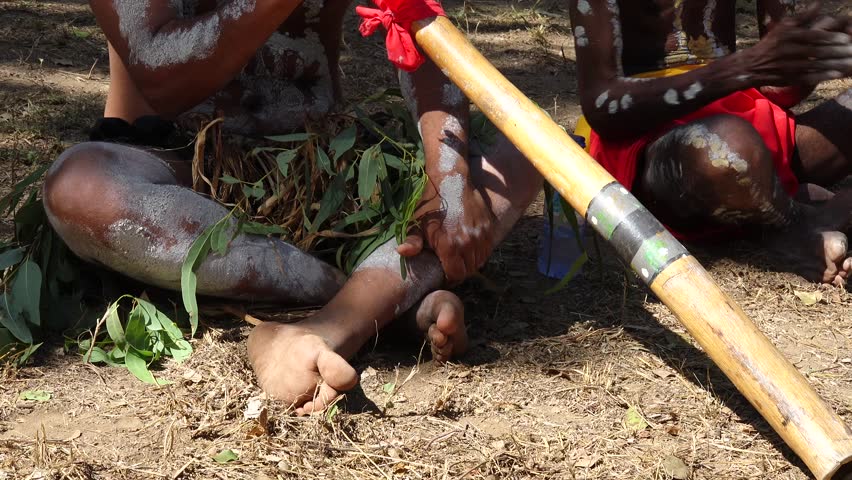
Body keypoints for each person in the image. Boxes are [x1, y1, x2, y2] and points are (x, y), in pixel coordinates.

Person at [43, 0, 542, 414]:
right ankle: (375, 301)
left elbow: (418, 22)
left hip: (329, 170)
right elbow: (160, 76)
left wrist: (446, 178)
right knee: (81, 190)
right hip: (180, 165)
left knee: (531, 149)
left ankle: (337, 319)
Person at [568, 0, 852, 285]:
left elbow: (776, 89)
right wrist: (743, 68)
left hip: (744, 120)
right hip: (652, 142)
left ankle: (771, 203)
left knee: (737, 144)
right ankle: (791, 223)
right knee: (725, 148)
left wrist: (818, 54)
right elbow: (602, 107)